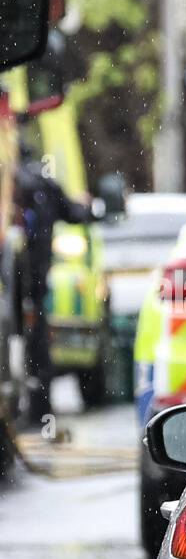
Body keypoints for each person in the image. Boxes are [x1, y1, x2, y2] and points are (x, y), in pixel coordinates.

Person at [14, 138, 98, 424]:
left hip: (18, 284)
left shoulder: (23, 182)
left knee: (32, 343)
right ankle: (38, 410)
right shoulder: (41, 182)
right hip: (32, 284)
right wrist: (89, 207)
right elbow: (74, 213)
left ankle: (34, 408)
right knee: (36, 345)